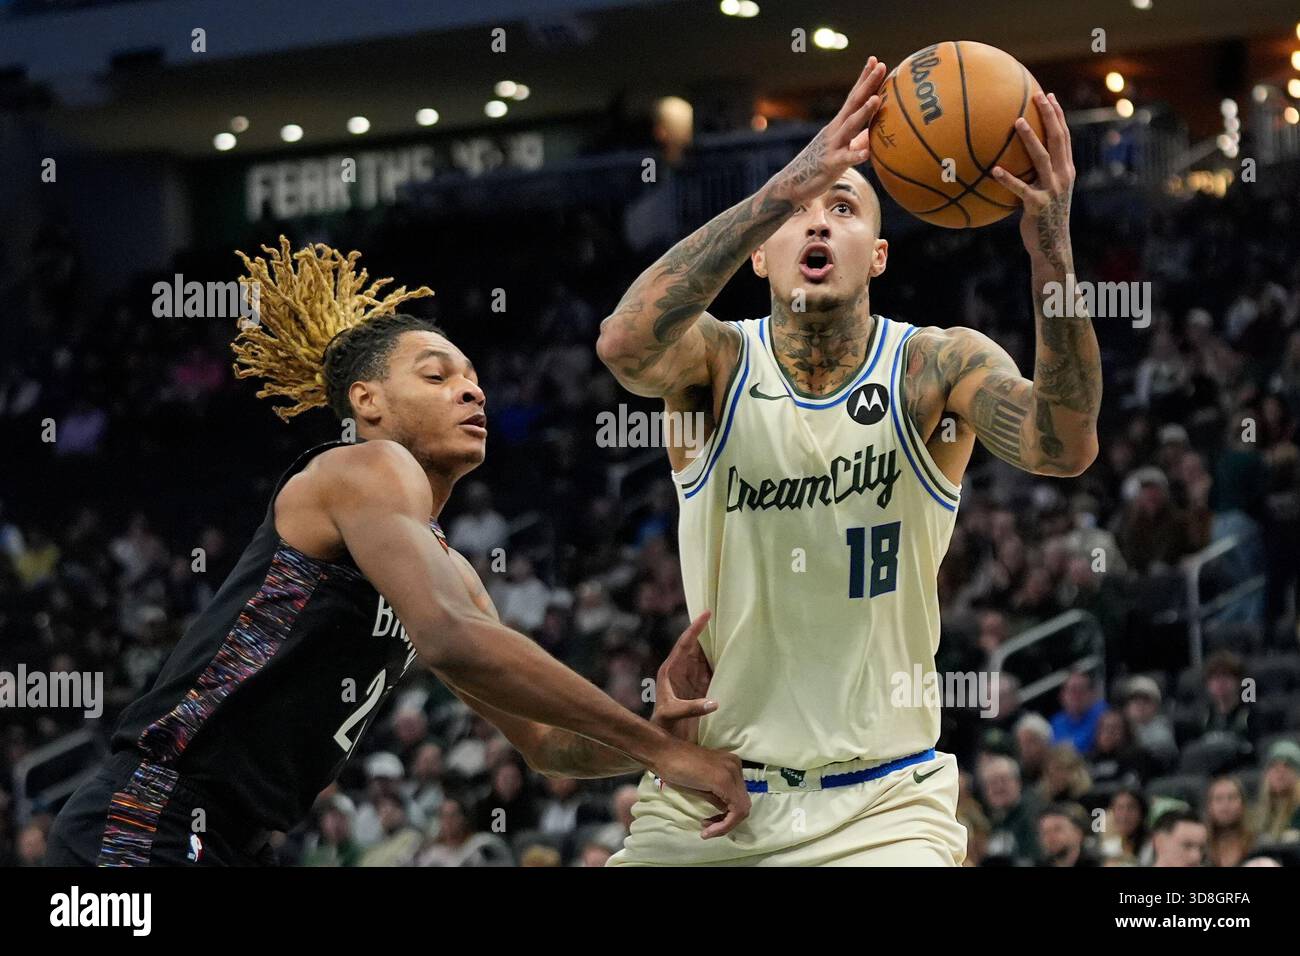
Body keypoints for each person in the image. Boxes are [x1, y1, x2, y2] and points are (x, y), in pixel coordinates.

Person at [45, 239, 747, 867]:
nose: (471, 388)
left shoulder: (449, 570)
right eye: (437, 376)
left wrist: (644, 736)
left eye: (473, 377)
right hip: (149, 812)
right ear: (368, 402)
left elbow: (543, 742)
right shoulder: (367, 465)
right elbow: (450, 639)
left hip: (230, 837)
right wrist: (663, 752)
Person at [598, 54, 1100, 865]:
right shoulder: (713, 365)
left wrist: (1052, 253)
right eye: (799, 212)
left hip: (884, 802)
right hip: (713, 787)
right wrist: (779, 187)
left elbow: (1066, 444)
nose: (819, 221)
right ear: (760, 252)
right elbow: (623, 343)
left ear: (879, 255)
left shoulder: (935, 367)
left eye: (843, 206)